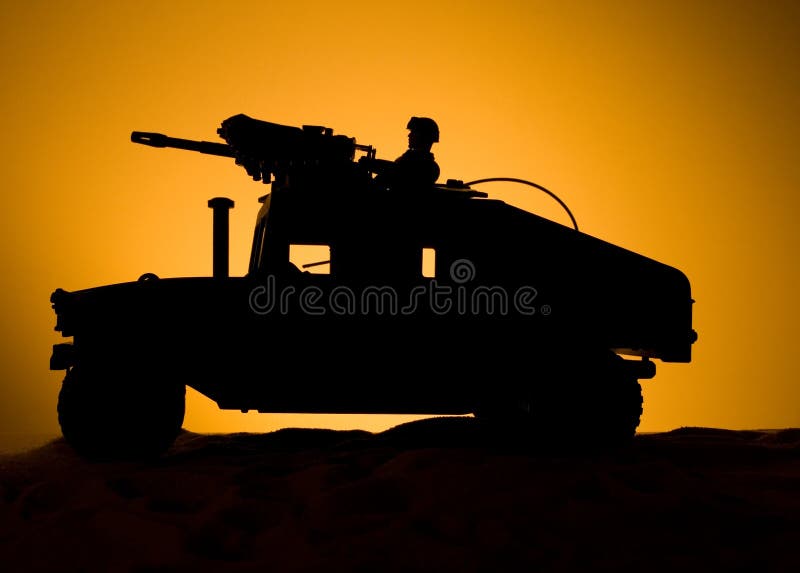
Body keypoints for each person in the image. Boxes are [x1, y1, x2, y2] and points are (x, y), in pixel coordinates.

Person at [372, 116, 440, 191]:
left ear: (422, 137)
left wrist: (372, 164)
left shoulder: (429, 167)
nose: (409, 135)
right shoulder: (406, 160)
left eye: (413, 132)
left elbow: (400, 171)